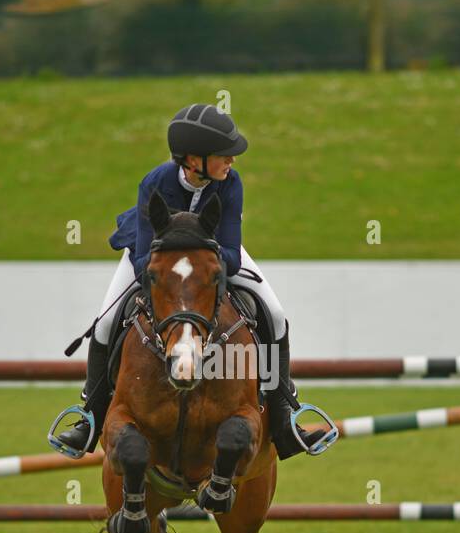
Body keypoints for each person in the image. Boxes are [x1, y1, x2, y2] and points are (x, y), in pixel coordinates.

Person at [49, 103, 334, 461]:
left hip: (214, 257)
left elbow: (230, 250)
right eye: (223, 155)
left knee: (274, 313)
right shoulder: (155, 183)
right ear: (193, 159)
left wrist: (203, 266)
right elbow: (141, 260)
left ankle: (284, 412)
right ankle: (90, 416)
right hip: (154, 256)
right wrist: (171, 272)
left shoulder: (231, 185)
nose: (231, 162)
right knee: (106, 321)